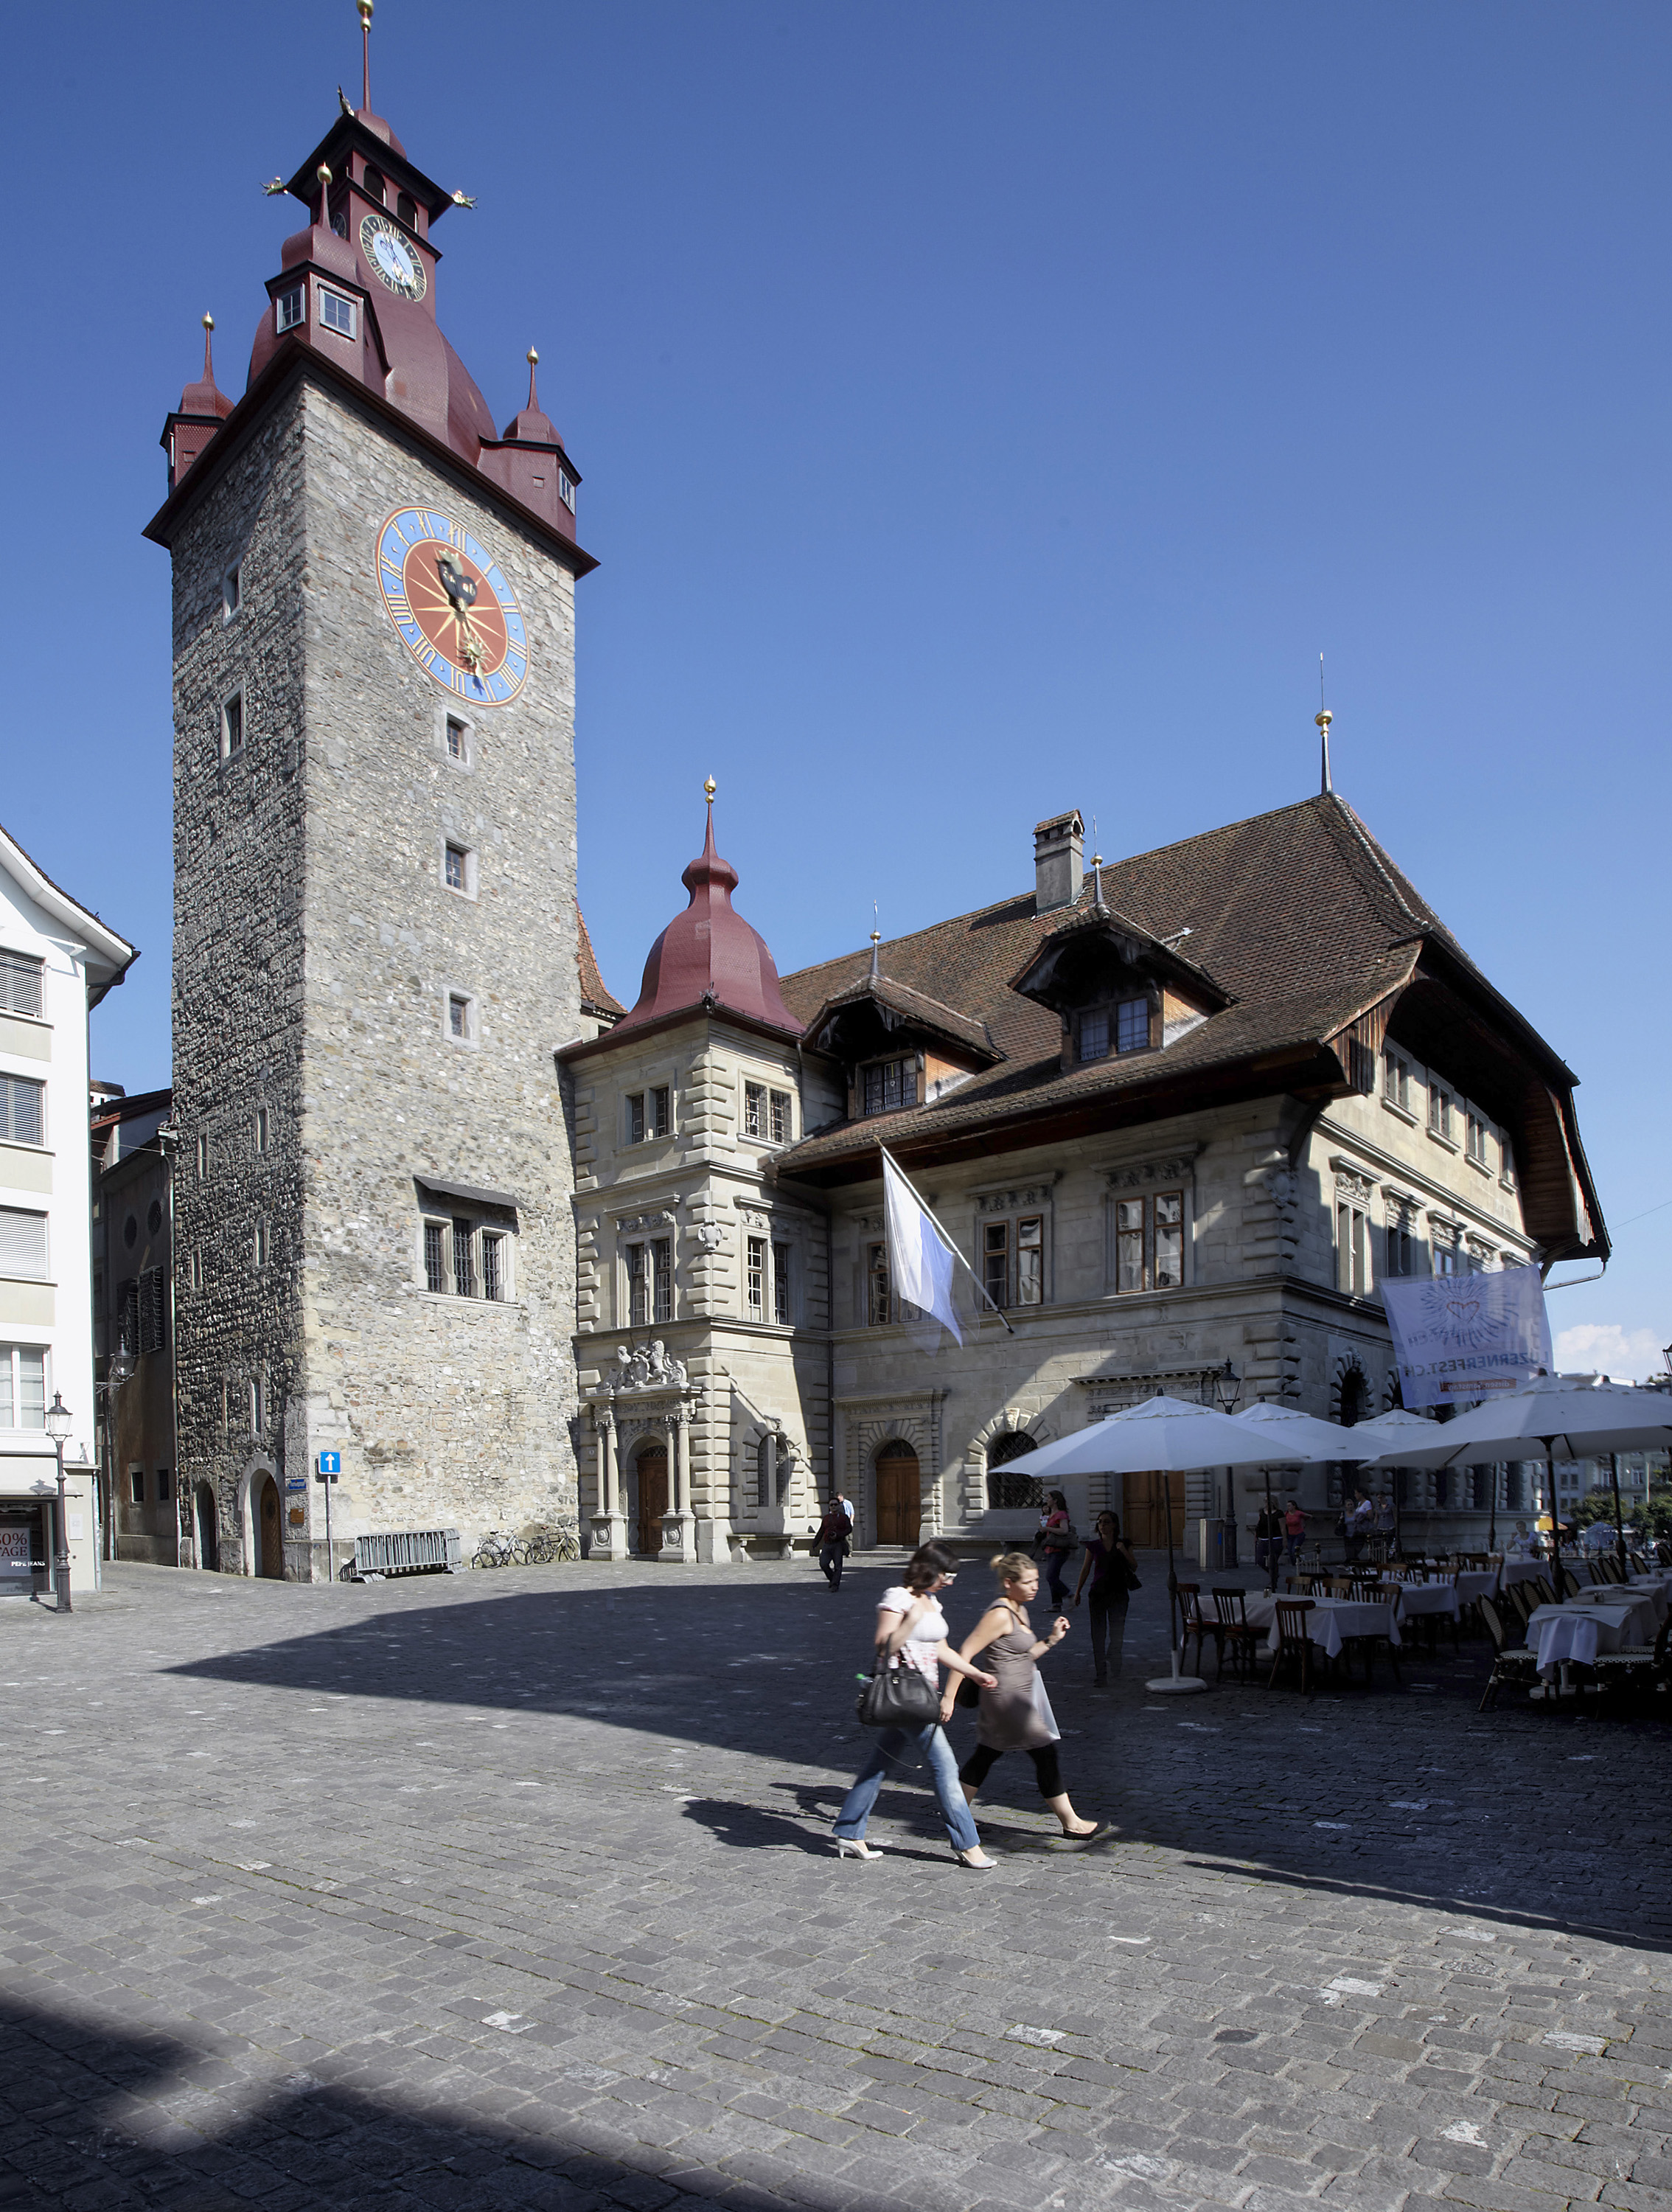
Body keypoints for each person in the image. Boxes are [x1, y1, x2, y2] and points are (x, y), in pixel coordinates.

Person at [832, 1543, 999, 1868]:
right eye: (946, 1574)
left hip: (920, 1694)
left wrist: (974, 1673)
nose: (950, 1581)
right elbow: (884, 1646)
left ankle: (849, 1831)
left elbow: (941, 1649)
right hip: (905, 1694)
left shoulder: (931, 1600)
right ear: (928, 1569)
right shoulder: (898, 1597)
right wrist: (910, 1620)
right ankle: (967, 1844)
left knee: (879, 1764)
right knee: (945, 1767)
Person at [949, 1553, 1104, 1840]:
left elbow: (1023, 1657)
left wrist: (1051, 1640)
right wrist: (949, 1698)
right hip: (1008, 1702)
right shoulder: (999, 1614)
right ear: (1009, 1583)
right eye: (1029, 1582)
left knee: (985, 1756)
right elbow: (965, 1654)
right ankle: (1071, 1822)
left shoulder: (1019, 1608)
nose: (1036, 1587)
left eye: (1036, 1581)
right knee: (1045, 1753)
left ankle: (956, 1814)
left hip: (1015, 1697)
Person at [1071, 1509, 1138, 1683]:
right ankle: (1101, 1673)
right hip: (1098, 1594)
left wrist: (1123, 1550)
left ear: (1114, 1525)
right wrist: (1078, 1591)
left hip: (1119, 1594)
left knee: (1117, 1633)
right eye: (1100, 1522)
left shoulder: (1125, 1543)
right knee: (1098, 1634)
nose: (1102, 1525)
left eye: (1107, 1522)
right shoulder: (1093, 1546)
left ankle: (1116, 1664)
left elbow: (1134, 1566)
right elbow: (1085, 1569)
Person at [1037, 1490, 1076, 1608]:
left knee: (1051, 1576)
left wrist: (1048, 1528)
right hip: (1050, 1548)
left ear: (1055, 1501)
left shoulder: (1061, 1514)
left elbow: (1064, 1530)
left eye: (1049, 1498)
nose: (1047, 1500)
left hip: (1059, 1550)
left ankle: (1069, 1594)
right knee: (1053, 1577)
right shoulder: (1050, 1514)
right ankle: (1056, 1604)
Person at [814, 1494, 852, 1590]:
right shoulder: (826, 1518)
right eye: (832, 1505)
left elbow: (849, 1529)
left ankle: (835, 1585)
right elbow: (821, 1531)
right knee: (823, 1563)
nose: (834, 1507)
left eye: (836, 1505)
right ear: (829, 1507)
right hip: (827, 1544)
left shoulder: (844, 1517)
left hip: (838, 1544)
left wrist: (838, 1535)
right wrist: (815, 1543)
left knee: (838, 1566)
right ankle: (833, 1579)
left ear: (839, 1506)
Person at [1283, 1501, 1307, 1565]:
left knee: (1294, 1550)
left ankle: (1297, 1563)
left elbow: (1308, 1516)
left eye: (1289, 1506)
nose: (1288, 1507)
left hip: (1298, 1534)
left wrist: (1304, 1523)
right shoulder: (1286, 1514)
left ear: (1294, 1506)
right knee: (1290, 1551)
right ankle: (1295, 1563)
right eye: (1287, 1506)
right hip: (1290, 1535)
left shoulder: (1298, 1513)